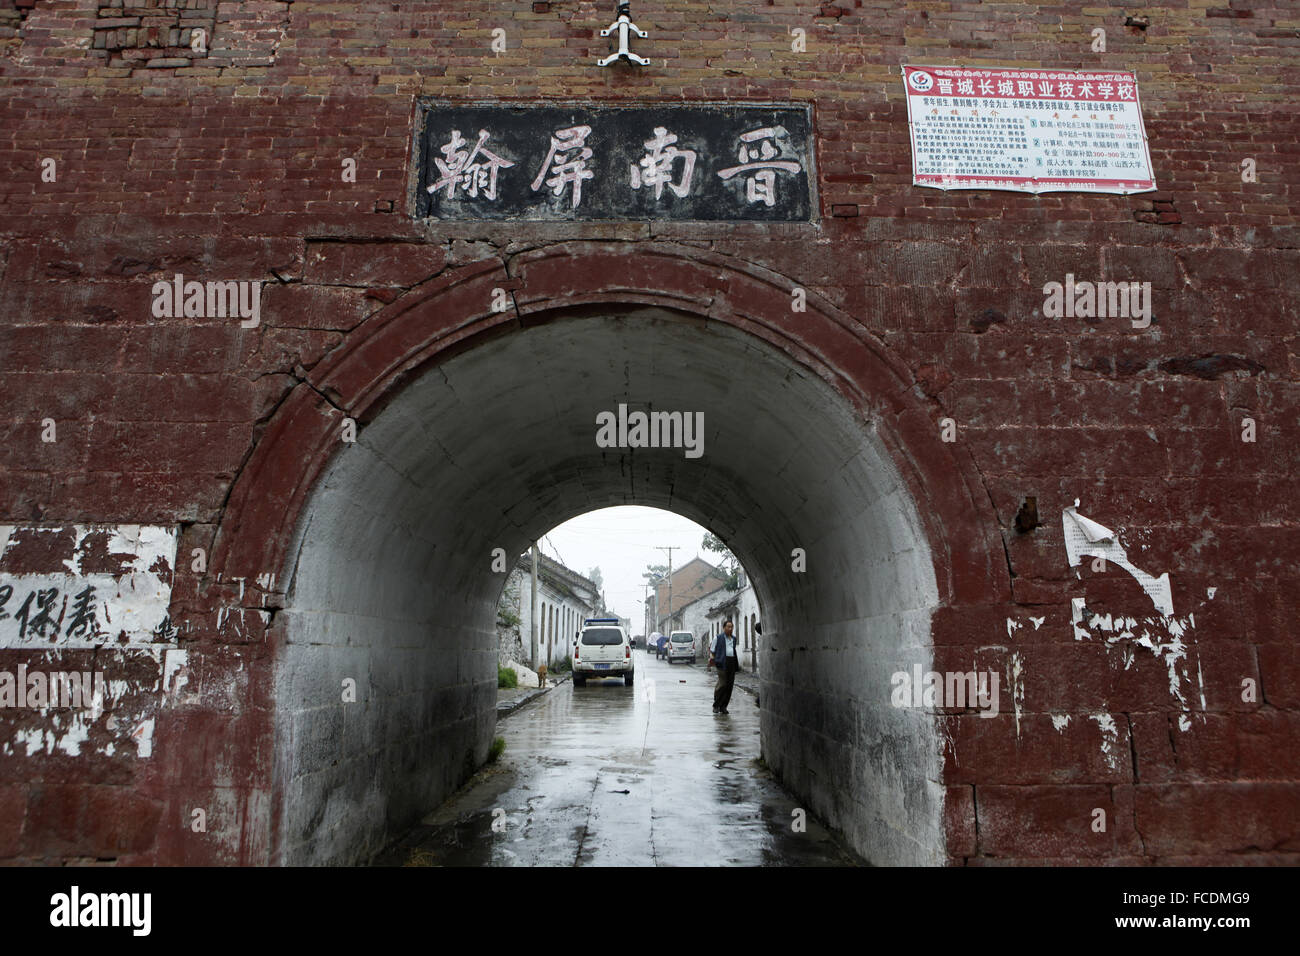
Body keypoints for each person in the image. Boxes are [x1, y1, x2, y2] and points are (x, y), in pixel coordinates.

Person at [708, 618, 739, 714]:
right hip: (721, 663)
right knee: (722, 684)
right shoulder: (718, 638)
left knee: (729, 686)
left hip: (731, 662)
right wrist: (715, 660)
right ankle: (716, 705)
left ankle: (723, 706)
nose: (730, 629)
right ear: (724, 628)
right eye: (728, 627)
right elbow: (712, 650)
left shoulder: (733, 639)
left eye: (731, 627)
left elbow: (733, 650)